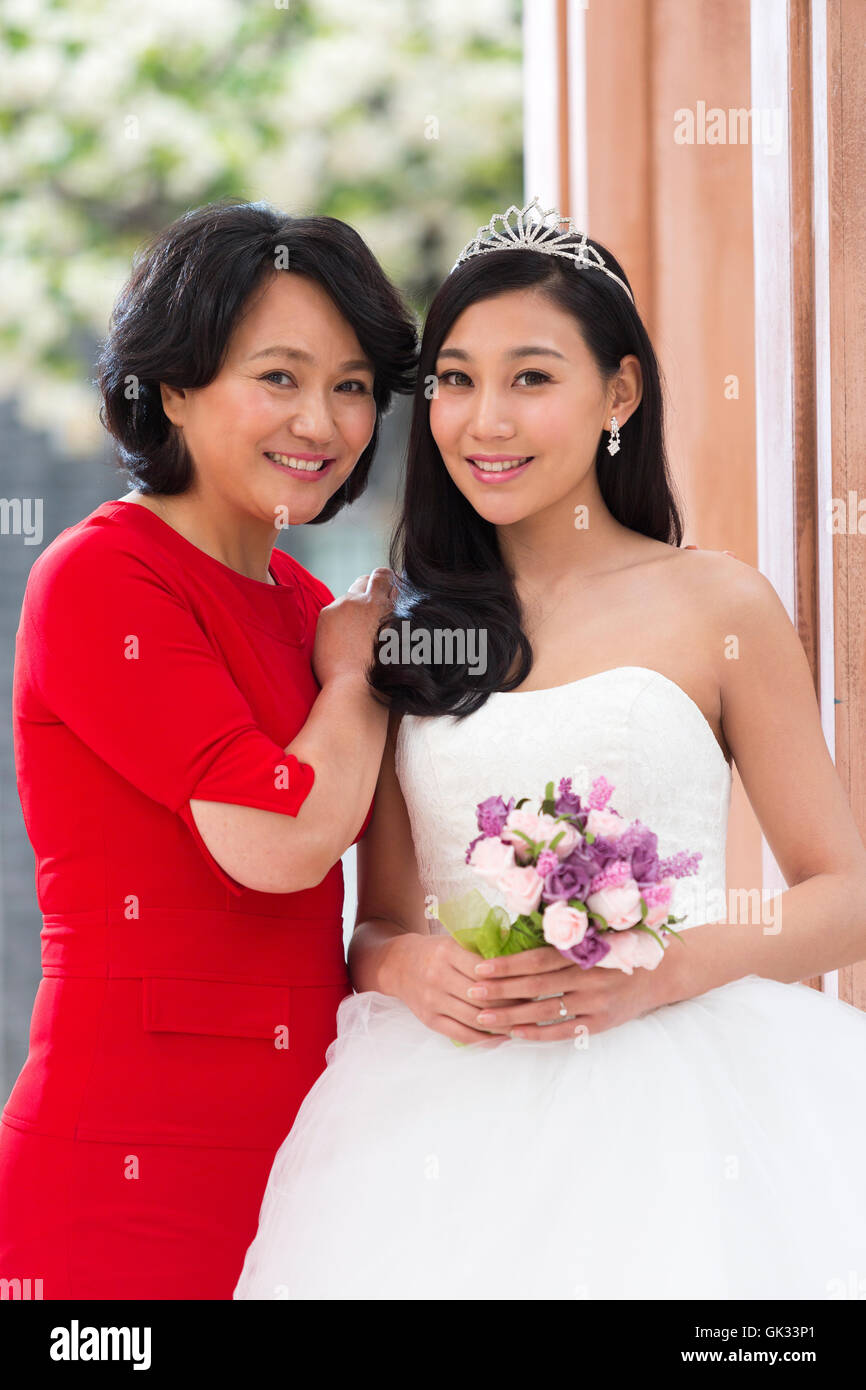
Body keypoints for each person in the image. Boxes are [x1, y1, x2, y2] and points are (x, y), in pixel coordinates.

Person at [234, 201, 866, 1300]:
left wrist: (659, 970)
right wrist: (415, 968)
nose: (486, 420)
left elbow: (843, 892)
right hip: (441, 1110)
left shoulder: (717, 600)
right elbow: (375, 920)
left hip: (690, 1097)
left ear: (617, 392)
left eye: (531, 377)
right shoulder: (405, 629)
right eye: (456, 380)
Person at [0, 199, 416, 1299]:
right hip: (127, 1172)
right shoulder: (101, 578)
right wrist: (352, 676)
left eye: (351, 385)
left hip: (306, 1152)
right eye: (277, 376)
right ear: (173, 386)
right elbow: (278, 838)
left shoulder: (306, 603)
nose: (321, 422)